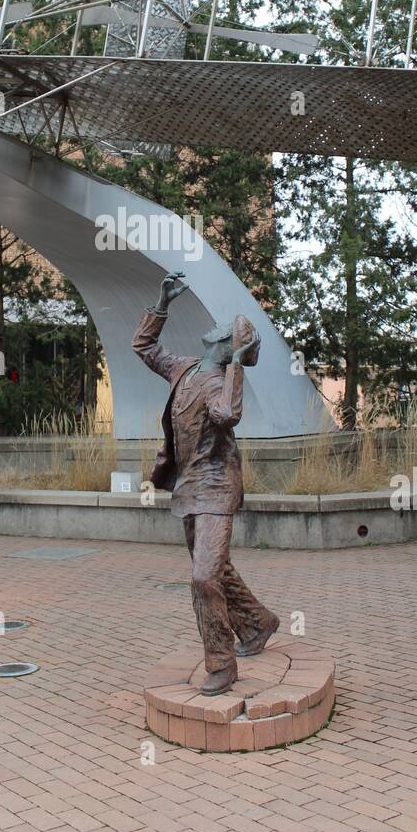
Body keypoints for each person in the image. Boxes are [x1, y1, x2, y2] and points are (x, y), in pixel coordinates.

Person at [133, 272, 279, 695]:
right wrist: (162, 303)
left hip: (217, 488)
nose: (212, 325)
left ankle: (220, 662)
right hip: (189, 487)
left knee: (202, 577)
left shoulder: (219, 380)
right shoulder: (184, 368)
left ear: (226, 343)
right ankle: (257, 624)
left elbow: (226, 415)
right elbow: (143, 347)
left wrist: (237, 367)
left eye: (221, 326)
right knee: (217, 569)